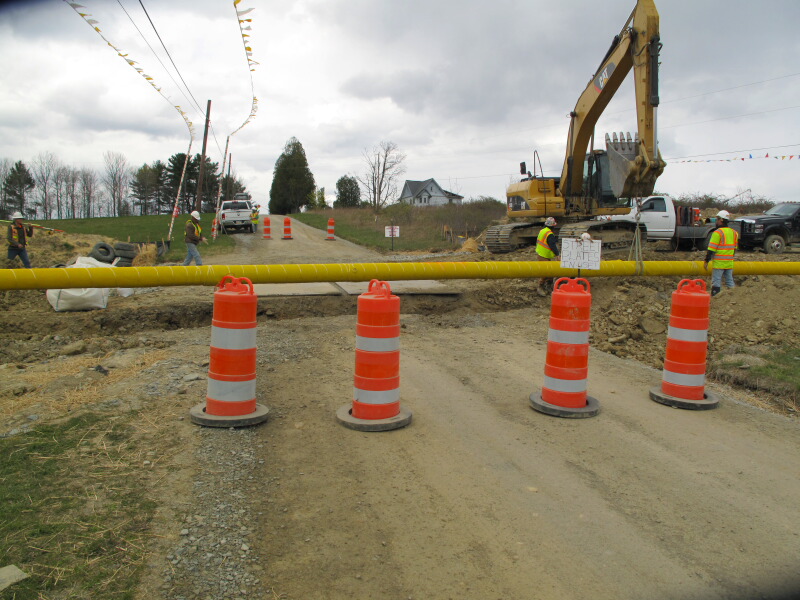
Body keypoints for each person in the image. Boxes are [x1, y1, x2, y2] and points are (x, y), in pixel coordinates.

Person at [703, 209, 738, 297]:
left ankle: (715, 298)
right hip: (729, 262)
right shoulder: (734, 233)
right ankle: (735, 298)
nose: (716, 221)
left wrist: (706, 260)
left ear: (721, 220)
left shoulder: (718, 233)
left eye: (717, 219)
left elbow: (711, 249)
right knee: (730, 281)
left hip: (719, 263)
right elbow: (734, 249)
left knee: (716, 281)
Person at [536, 217, 560, 296]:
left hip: (541, 253)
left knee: (550, 272)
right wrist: (557, 254)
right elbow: (552, 246)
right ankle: (540, 286)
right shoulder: (550, 234)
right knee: (546, 272)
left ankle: (549, 287)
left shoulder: (542, 231)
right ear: (553, 226)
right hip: (544, 255)